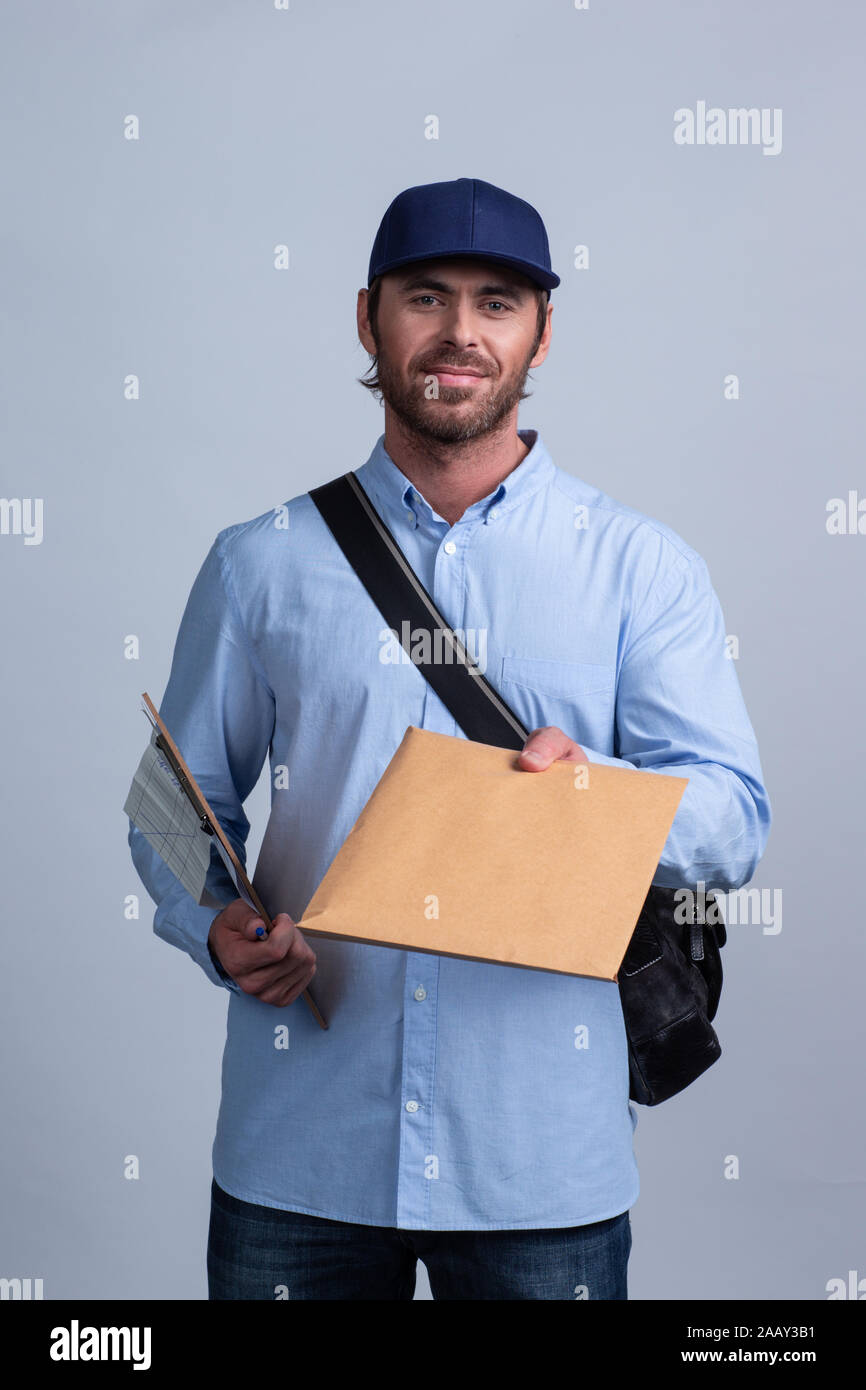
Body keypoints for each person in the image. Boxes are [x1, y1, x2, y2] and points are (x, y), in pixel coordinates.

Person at [128, 176, 771, 1301]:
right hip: (300, 1155)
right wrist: (211, 924)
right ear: (367, 316)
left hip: (539, 1167)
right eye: (426, 296)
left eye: (497, 301)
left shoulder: (638, 567)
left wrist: (597, 795)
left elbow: (731, 819)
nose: (460, 332)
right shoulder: (259, 562)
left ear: (542, 333)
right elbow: (174, 812)